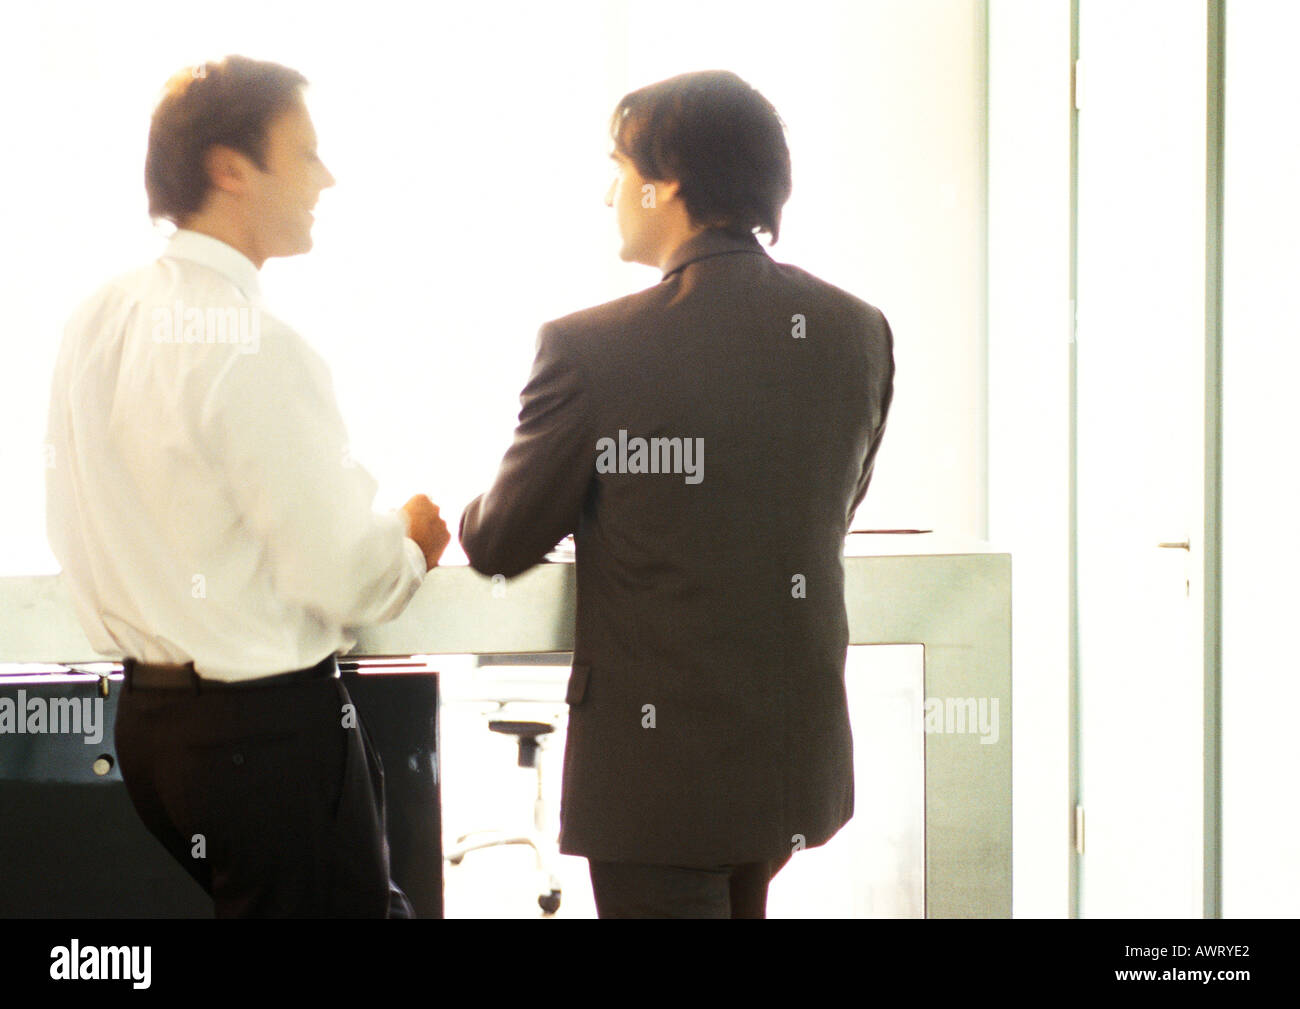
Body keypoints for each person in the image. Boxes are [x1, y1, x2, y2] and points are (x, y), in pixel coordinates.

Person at [459, 69, 895, 918]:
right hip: (789, 763)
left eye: (620, 167)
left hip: (657, 786)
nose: (609, 191)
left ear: (669, 185)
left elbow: (499, 538)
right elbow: (830, 506)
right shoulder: (857, 330)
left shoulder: (590, 347)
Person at [44, 55, 450, 917]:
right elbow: (344, 574)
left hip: (153, 730)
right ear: (231, 168)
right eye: (305, 154)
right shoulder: (251, 342)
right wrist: (410, 540)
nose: (326, 178)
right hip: (263, 738)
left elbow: (79, 517)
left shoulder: (98, 318)